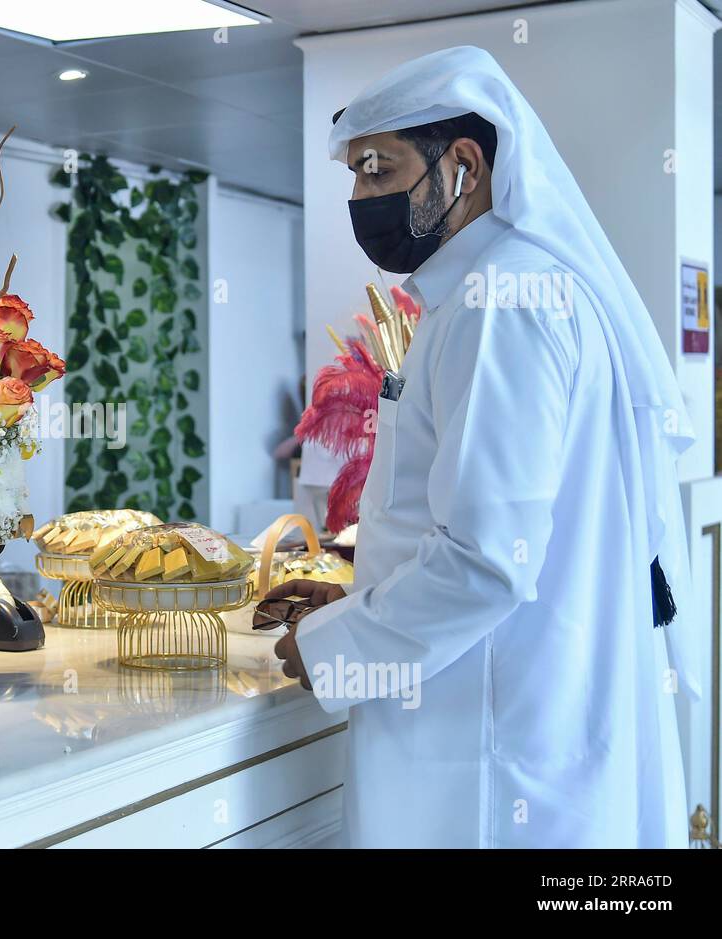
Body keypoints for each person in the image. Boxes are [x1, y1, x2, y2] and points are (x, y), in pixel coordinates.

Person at [258, 46, 699, 848]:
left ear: (463, 164)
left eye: (378, 171)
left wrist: (337, 648)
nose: (360, 199)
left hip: (496, 767)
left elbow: (488, 559)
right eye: (354, 177)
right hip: (528, 733)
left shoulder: (501, 303)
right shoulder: (501, 291)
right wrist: (363, 599)